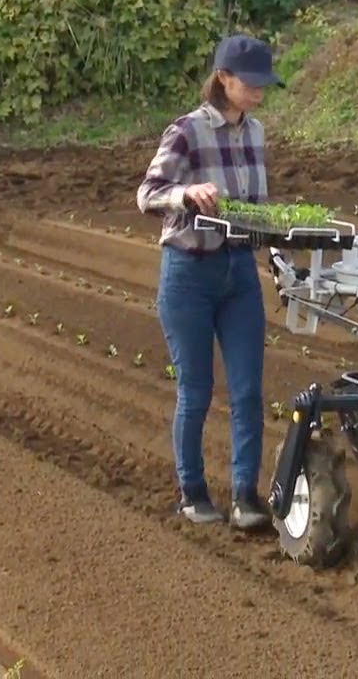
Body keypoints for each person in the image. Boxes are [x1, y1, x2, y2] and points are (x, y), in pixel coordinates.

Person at [136, 34, 285, 529]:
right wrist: (185, 193)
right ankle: (192, 491)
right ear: (224, 78)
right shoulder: (187, 131)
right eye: (252, 82)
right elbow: (147, 193)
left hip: (239, 273)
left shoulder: (256, 132)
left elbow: (257, 210)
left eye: (266, 83)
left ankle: (245, 494)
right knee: (196, 390)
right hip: (189, 275)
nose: (261, 91)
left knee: (247, 392)